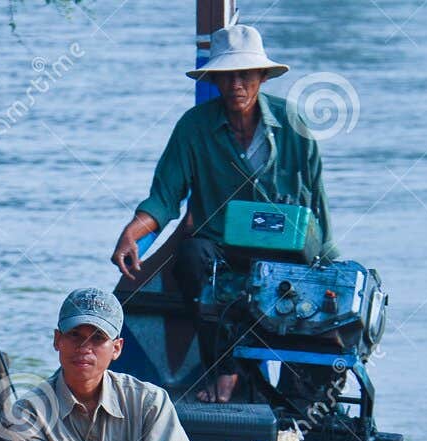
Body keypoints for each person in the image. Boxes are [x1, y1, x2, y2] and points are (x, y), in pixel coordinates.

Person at [109, 24, 338, 403]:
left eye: (245, 75)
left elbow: (318, 205)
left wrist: (332, 268)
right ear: (214, 80)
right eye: (227, 76)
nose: (236, 85)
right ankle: (226, 369)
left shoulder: (294, 126)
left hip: (285, 255)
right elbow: (164, 199)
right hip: (222, 252)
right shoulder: (194, 127)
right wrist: (131, 234)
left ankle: (297, 398)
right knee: (190, 257)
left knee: (325, 301)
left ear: (262, 77)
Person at [5, 288, 198, 441]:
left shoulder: (149, 402)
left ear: (116, 348)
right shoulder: (29, 413)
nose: (84, 348)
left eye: (98, 338)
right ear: (57, 340)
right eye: (75, 335)